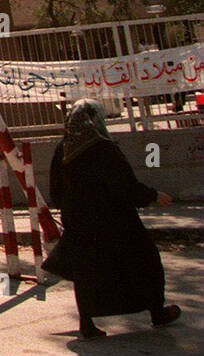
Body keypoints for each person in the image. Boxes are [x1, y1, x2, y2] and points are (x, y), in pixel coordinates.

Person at [42, 99, 181, 339]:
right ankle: (157, 313)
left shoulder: (64, 149)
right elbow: (125, 185)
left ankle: (87, 324)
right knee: (144, 261)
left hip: (79, 223)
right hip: (116, 221)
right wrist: (153, 195)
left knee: (87, 273)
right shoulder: (103, 149)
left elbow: (56, 192)